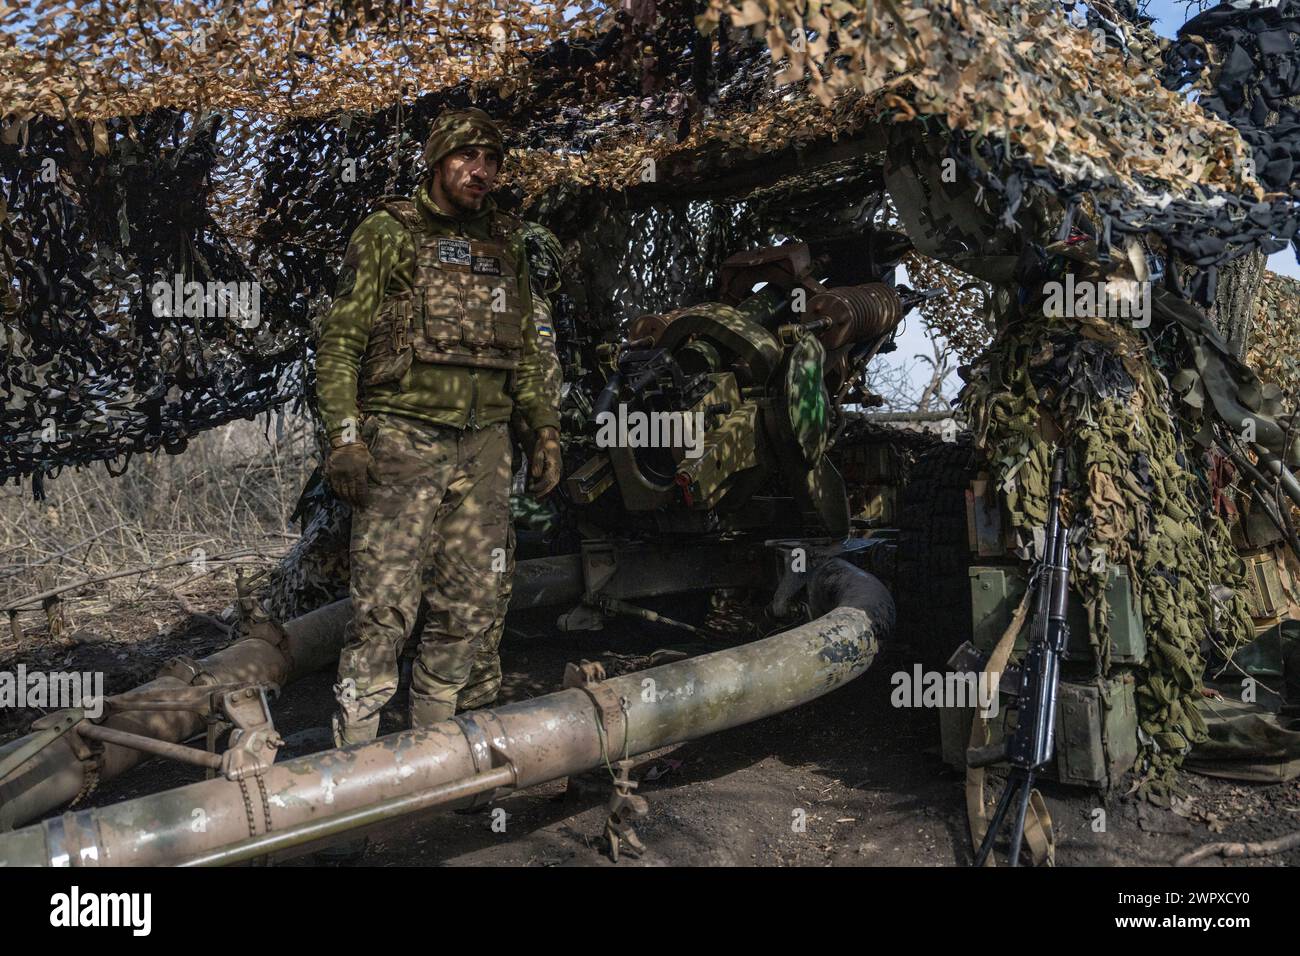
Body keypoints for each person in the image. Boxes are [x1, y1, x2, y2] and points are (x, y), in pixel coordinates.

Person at [315, 107, 562, 748]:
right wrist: (343, 437)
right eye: (467, 158)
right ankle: (354, 773)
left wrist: (545, 429)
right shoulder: (388, 232)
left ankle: (440, 749)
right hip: (403, 437)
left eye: (493, 162)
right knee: (382, 606)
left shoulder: (508, 243)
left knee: (472, 601)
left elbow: (529, 351)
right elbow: (340, 342)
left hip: (485, 447)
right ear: (438, 162)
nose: (481, 172)